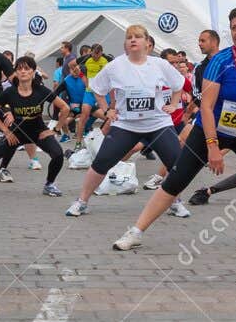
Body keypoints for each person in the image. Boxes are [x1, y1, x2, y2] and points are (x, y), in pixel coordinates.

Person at [111, 4, 236, 253]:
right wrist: (213, 147)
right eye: (234, 27)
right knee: (176, 180)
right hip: (209, 131)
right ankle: (136, 231)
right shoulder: (221, 61)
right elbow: (206, 106)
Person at [65, 26, 185, 216]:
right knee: (101, 162)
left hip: (158, 123)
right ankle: (82, 201)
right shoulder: (115, 66)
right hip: (126, 125)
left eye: (138, 37)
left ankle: (175, 201)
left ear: (148, 43)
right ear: (125, 43)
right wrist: (107, 110)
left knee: (177, 163)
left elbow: (178, 84)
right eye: (129, 37)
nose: (133, 40)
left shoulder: (159, 64)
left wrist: (174, 104)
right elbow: (97, 88)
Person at [0, 56, 69, 194]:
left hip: (39, 132)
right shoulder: (9, 92)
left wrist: (55, 130)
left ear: (33, 71)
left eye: (27, 68)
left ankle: (49, 185)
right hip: (16, 133)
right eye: (19, 69)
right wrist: (6, 131)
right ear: (16, 73)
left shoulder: (41, 91)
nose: (23, 71)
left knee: (58, 154)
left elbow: (65, 108)